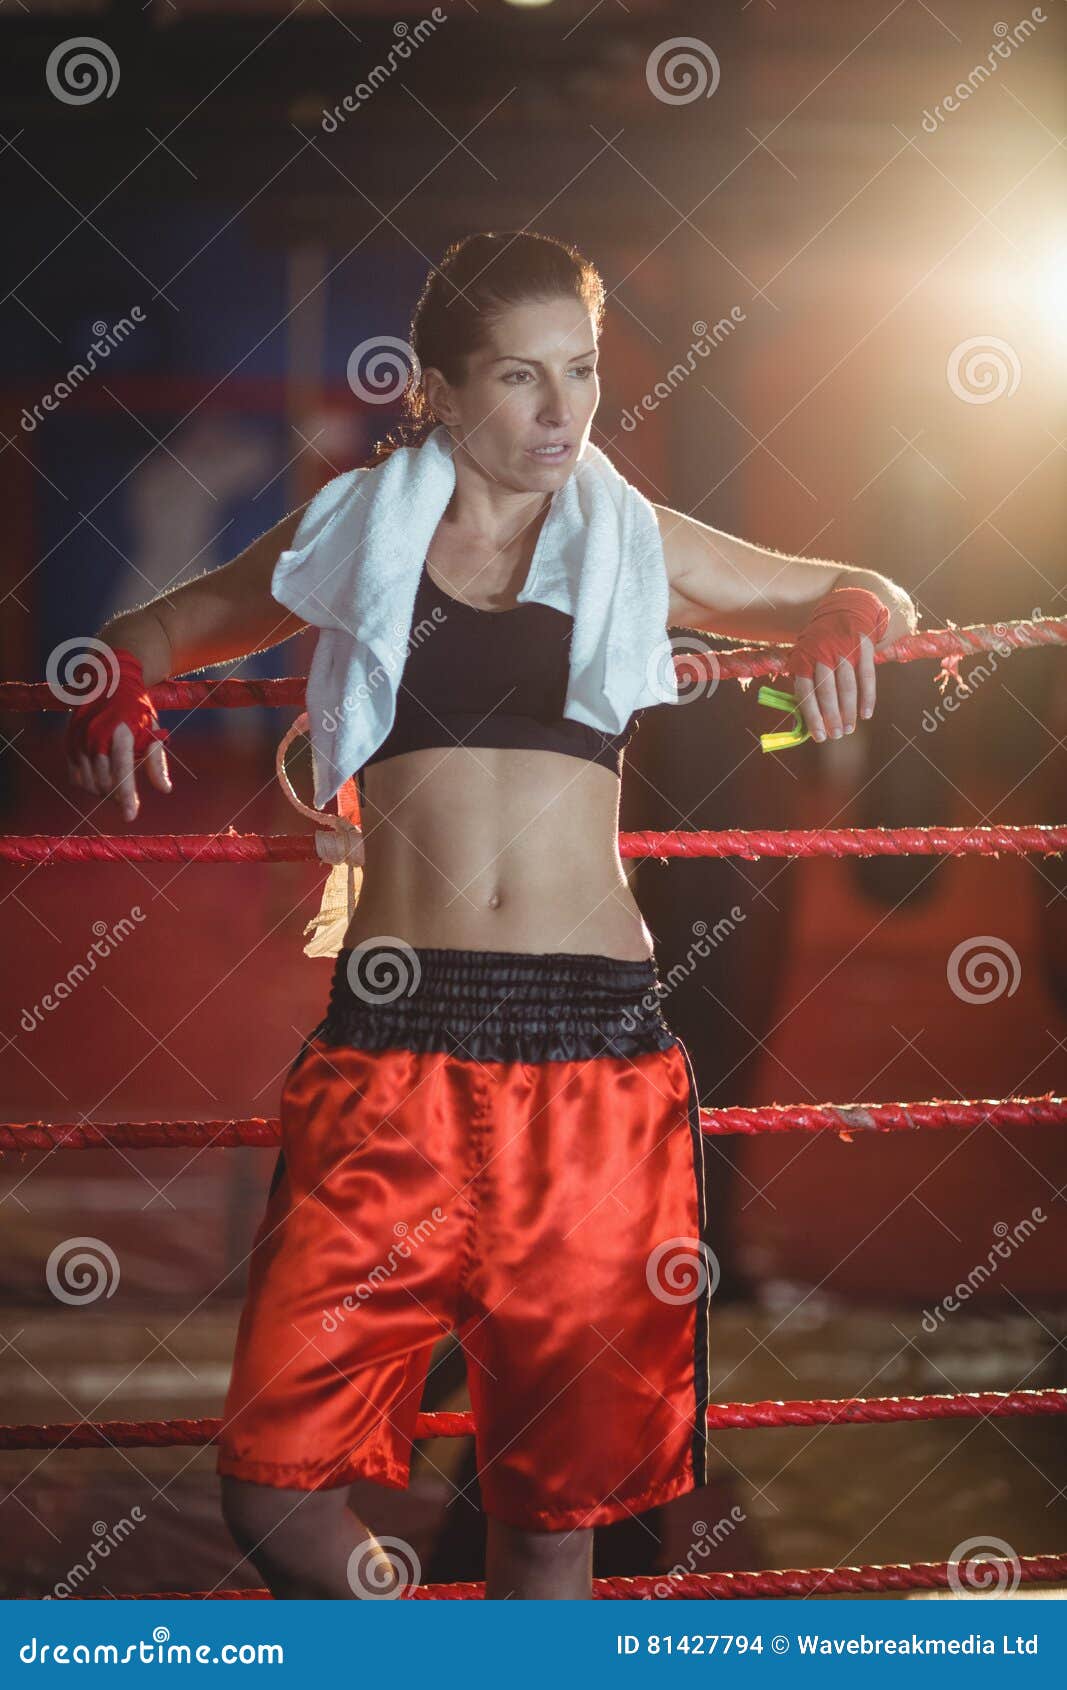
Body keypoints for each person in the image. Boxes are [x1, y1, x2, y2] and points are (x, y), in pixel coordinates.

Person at [64, 231, 917, 1600]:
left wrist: (842, 624)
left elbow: (852, 587)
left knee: (551, 1512)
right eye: (520, 378)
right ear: (443, 395)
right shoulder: (354, 530)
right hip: (397, 1041)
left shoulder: (628, 530)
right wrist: (114, 678)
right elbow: (167, 628)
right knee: (268, 1480)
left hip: (595, 1056)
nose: (561, 410)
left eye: (579, 374)